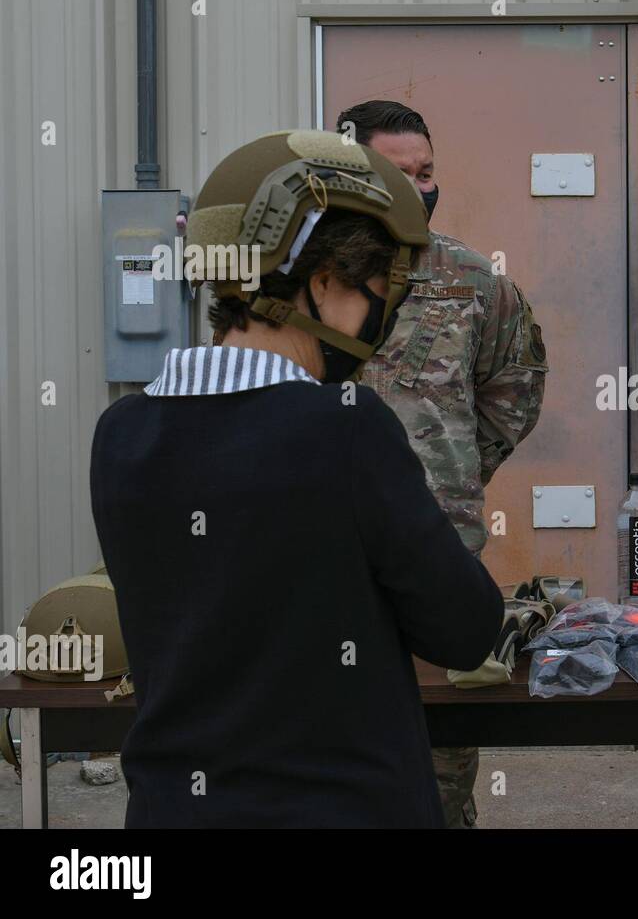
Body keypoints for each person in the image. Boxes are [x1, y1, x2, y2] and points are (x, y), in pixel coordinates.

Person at [89, 130, 503, 827]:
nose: (386, 314)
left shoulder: (122, 434)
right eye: (381, 289)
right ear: (324, 283)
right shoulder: (344, 426)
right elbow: (465, 628)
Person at [335, 100, 548, 829]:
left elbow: (515, 385)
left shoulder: (470, 280)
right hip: (322, 551)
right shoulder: (304, 282)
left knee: (439, 763)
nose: (419, 188)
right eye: (398, 174)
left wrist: (451, 471)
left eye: (427, 173)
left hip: (436, 544)